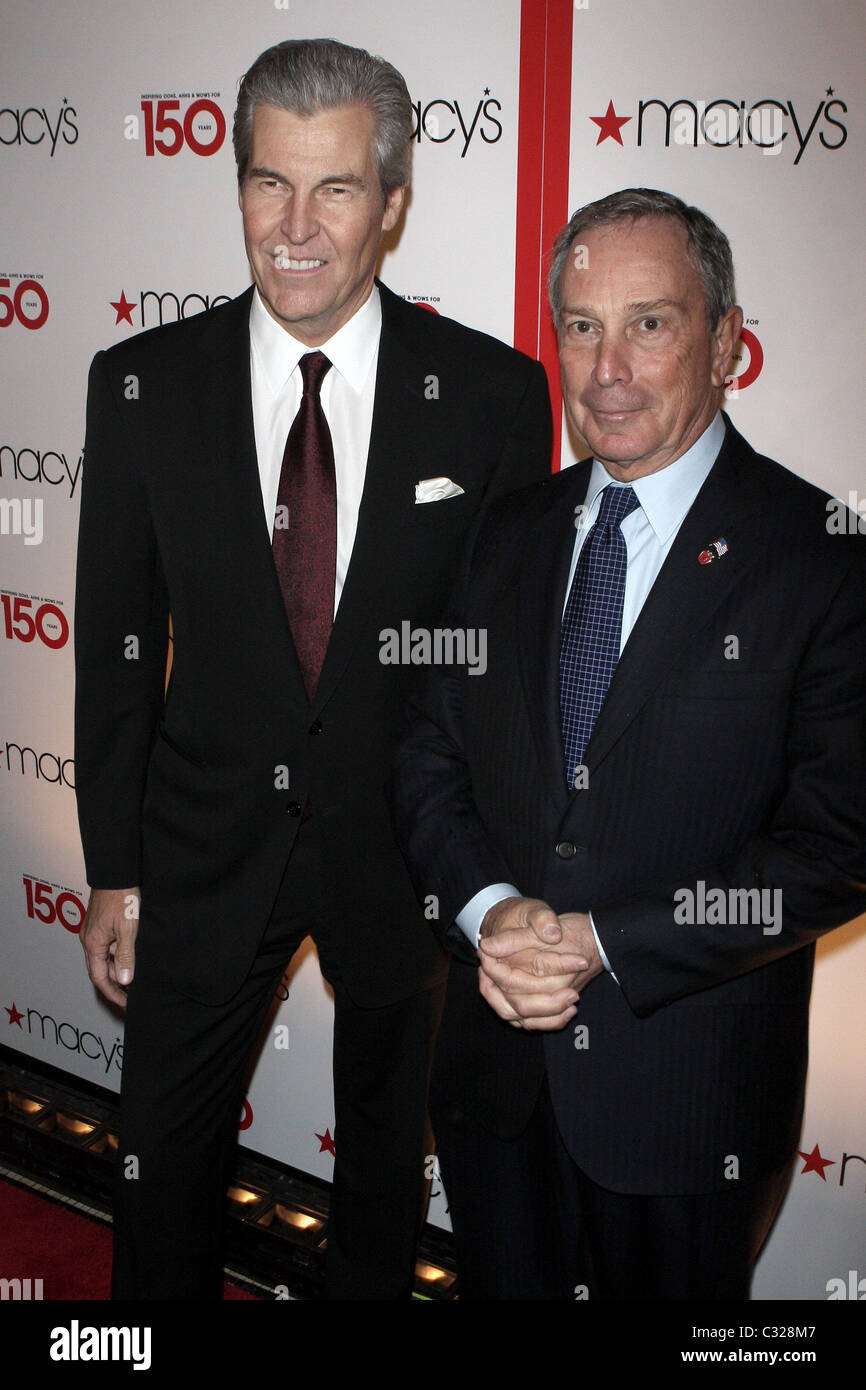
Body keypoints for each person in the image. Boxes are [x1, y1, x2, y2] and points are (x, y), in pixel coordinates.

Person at [73, 37, 551, 1300]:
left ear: (391, 203)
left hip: (402, 850)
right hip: (198, 842)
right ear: (234, 187)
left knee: (386, 1172)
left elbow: (495, 669)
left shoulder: (493, 399)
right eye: (266, 184)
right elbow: (116, 641)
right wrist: (111, 865)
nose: (294, 226)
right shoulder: (137, 387)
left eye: (334, 187)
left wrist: (490, 868)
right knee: (158, 1165)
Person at [389, 188, 866, 1300]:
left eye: (648, 323)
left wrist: (605, 940)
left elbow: (837, 842)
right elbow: (425, 758)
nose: (606, 368)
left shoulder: (823, 560)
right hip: (493, 1076)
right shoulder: (500, 533)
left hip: (686, 1104)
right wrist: (489, 910)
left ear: (726, 343)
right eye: (581, 325)